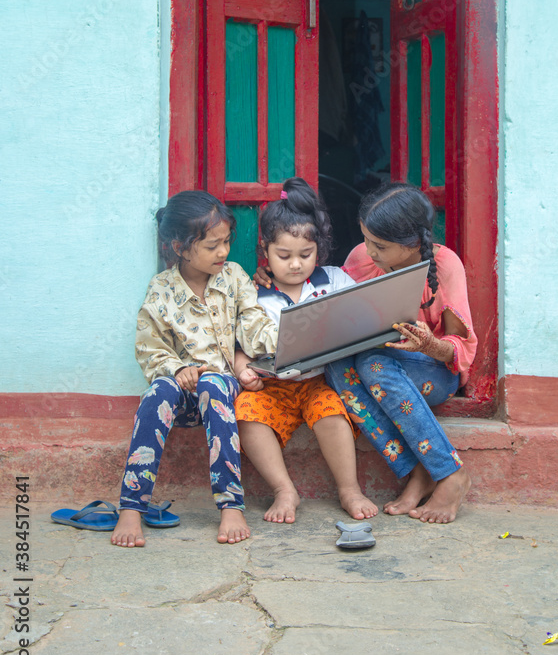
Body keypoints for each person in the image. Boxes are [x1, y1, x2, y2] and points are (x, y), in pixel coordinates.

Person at [111, 190, 278, 549]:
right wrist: (176, 369)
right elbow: (149, 346)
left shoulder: (234, 278)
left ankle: (230, 503)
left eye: (227, 242)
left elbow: (253, 324)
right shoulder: (161, 289)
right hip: (182, 395)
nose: (223, 252)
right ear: (180, 247)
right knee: (157, 393)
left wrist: (282, 341)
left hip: (221, 391)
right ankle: (131, 507)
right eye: (212, 245)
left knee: (214, 384)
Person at [325, 182, 477, 524]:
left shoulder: (445, 264)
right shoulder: (361, 259)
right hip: (375, 362)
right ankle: (417, 472)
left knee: (374, 364)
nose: (368, 250)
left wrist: (429, 344)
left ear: (411, 244)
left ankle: (451, 475)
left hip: (433, 371)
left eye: (379, 245)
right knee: (339, 365)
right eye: (365, 238)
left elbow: (460, 349)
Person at [234, 177, 378, 525]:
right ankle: (284, 489)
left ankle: (349, 489)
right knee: (246, 414)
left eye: (305, 255)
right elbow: (237, 347)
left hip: (319, 381)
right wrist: (242, 370)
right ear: (265, 252)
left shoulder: (336, 281)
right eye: (284, 256)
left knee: (331, 411)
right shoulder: (254, 295)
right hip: (272, 386)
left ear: (320, 251)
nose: (295, 264)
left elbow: (363, 318)